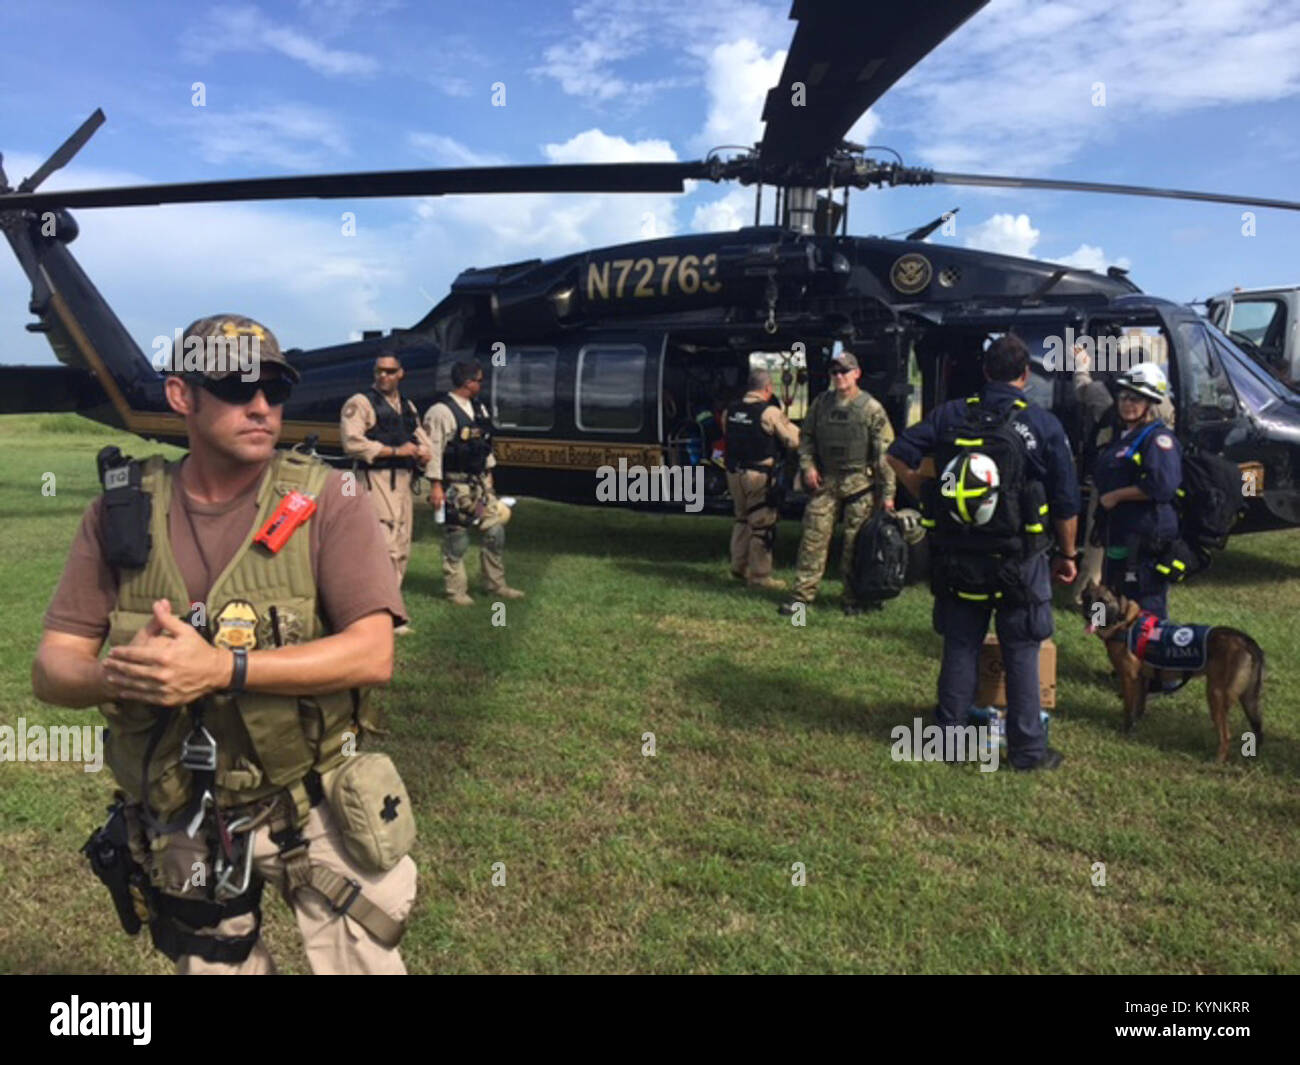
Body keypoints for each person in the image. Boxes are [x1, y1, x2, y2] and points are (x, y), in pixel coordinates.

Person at [32, 314, 417, 974]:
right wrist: (125, 677)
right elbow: (53, 666)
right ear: (183, 395)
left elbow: (372, 653)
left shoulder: (329, 499)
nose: (262, 405)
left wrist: (221, 668)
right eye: (239, 388)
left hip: (312, 800)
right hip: (181, 811)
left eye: (276, 388)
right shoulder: (120, 513)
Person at [886, 334, 1079, 771]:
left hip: (957, 558)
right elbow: (1066, 502)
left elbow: (896, 454)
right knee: (1022, 650)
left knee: (960, 646)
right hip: (1019, 560)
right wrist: (1067, 554)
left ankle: (949, 741)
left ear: (985, 372)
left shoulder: (951, 414)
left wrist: (925, 492)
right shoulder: (1043, 425)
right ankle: (1028, 752)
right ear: (1025, 375)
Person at [779, 351, 896, 616]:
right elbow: (806, 438)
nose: (839, 377)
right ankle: (801, 598)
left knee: (855, 546)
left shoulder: (871, 409)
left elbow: (883, 455)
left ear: (857, 373)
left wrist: (887, 494)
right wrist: (808, 466)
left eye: (844, 371)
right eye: (834, 372)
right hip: (827, 482)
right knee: (812, 540)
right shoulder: (821, 404)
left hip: (859, 485)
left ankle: (853, 599)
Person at [1072, 339, 1175, 599]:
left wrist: (1082, 364)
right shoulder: (1162, 403)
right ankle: (1107, 600)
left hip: (1115, 481)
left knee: (1097, 543)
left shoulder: (1100, 391)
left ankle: (1088, 590)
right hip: (1127, 483)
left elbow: (1081, 387)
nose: (1128, 402)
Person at [423, 360, 523, 606]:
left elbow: (484, 446)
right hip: (455, 487)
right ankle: (456, 591)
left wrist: (489, 476)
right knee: (457, 538)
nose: (481, 384)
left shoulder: (479, 410)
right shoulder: (441, 412)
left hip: (479, 485)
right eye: (479, 380)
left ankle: (494, 583)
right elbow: (433, 451)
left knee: (494, 530)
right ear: (468, 382)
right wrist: (435, 486)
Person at [340, 353, 433, 610]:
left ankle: (391, 603)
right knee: (384, 545)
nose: (384, 376)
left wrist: (424, 453)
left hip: (403, 481)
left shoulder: (407, 406)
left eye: (390, 371)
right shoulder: (361, 403)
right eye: (379, 371)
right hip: (375, 479)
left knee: (402, 544)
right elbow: (352, 442)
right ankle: (376, 605)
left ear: (400, 374)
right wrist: (394, 451)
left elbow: (420, 437)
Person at [1092, 361, 1182, 620]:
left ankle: (1151, 655)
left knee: (1145, 603)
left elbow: (1162, 486)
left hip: (1145, 537)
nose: (1127, 403)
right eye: (1124, 397)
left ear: (1151, 403)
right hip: (1119, 531)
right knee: (1110, 592)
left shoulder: (1159, 440)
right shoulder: (1124, 436)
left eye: (1136, 398)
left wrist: (1116, 496)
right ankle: (1109, 642)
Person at [724, 369, 800, 591]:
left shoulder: (731, 410)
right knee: (762, 525)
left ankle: (738, 566)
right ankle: (759, 576)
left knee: (741, 519)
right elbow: (794, 440)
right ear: (768, 389)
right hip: (758, 476)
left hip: (733, 473)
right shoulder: (769, 412)